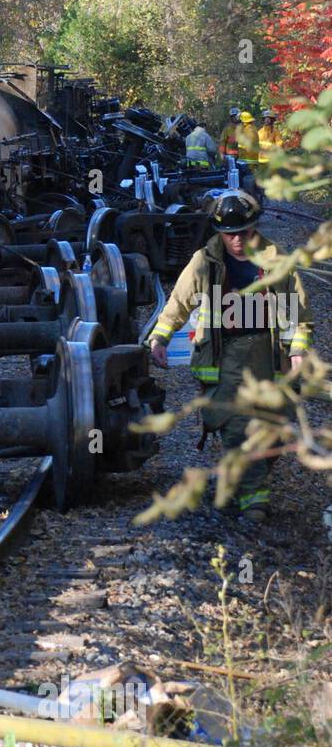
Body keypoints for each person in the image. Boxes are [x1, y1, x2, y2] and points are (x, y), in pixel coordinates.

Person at [147, 190, 311, 523]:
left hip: (269, 357)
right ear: (220, 232)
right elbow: (178, 303)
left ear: (255, 228)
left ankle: (238, 481)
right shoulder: (205, 262)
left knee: (274, 430)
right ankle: (255, 503)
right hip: (225, 361)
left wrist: (297, 349)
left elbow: (298, 312)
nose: (237, 240)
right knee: (237, 429)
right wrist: (159, 338)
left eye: (244, 232)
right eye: (229, 233)